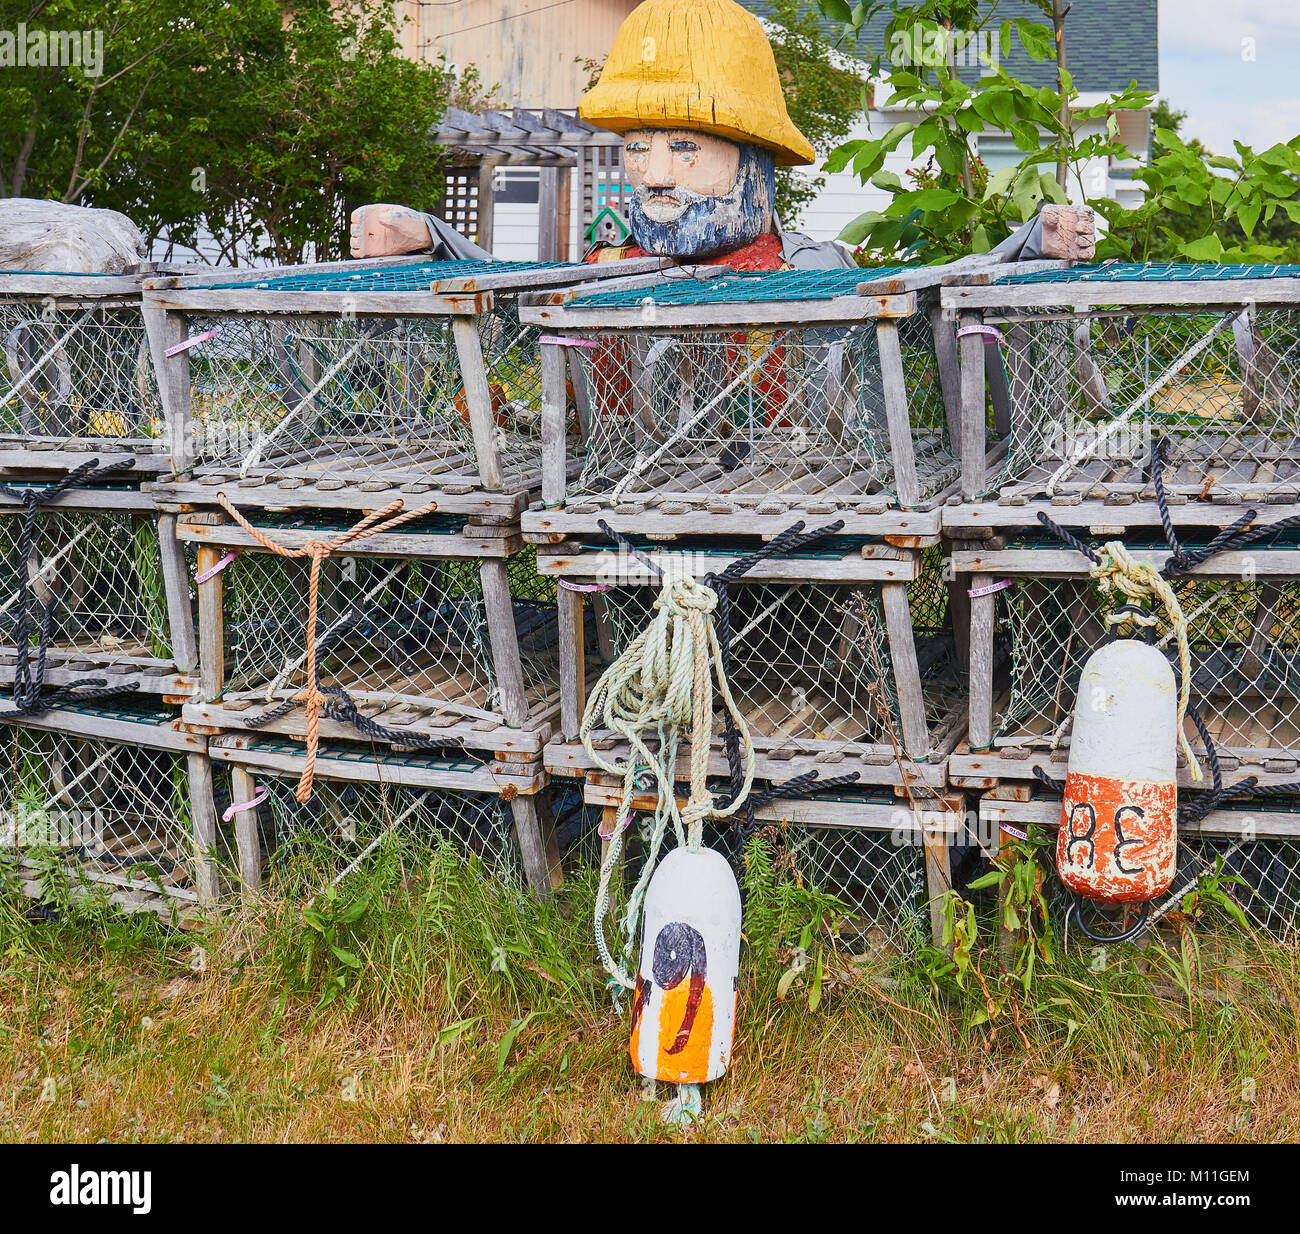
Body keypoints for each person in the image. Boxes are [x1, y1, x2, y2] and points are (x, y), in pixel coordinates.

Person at [350, 0, 853, 271]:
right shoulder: (610, 268)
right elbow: (513, 299)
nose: (655, 176)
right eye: (637, 149)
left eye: (685, 150)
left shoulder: (806, 270)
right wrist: (431, 237)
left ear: (755, 163)